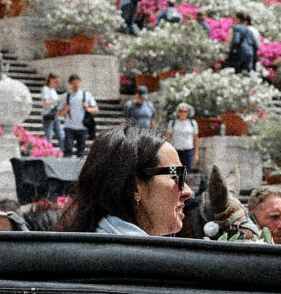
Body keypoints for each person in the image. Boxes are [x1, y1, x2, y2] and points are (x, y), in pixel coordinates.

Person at [59, 126, 194, 238]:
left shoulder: (85, 247)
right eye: (175, 176)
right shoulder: (139, 263)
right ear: (136, 187)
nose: (187, 192)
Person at [62, 76, 98, 157]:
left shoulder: (86, 95)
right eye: (74, 82)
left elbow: (96, 109)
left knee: (80, 152)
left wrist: (87, 108)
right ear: (70, 83)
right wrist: (65, 111)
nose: (76, 85)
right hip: (69, 127)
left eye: (77, 82)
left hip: (82, 128)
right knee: (68, 150)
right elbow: (58, 113)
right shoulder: (66, 96)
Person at [169, 102, 197, 174]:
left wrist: (196, 153)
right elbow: (168, 138)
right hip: (175, 151)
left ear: (187, 112)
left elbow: (196, 139)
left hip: (188, 151)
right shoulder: (173, 123)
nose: (182, 113)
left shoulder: (192, 123)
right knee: (174, 172)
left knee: (187, 172)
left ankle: (184, 185)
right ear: (178, 112)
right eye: (180, 111)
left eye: (185, 111)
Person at [41, 73, 65, 148]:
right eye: (55, 81)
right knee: (49, 136)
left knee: (61, 135)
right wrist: (57, 100)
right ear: (51, 79)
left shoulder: (53, 90)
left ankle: (63, 152)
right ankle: (49, 153)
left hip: (55, 115)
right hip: (48, 115)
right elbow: (46, 102)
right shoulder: (45, 89)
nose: (56, 83)